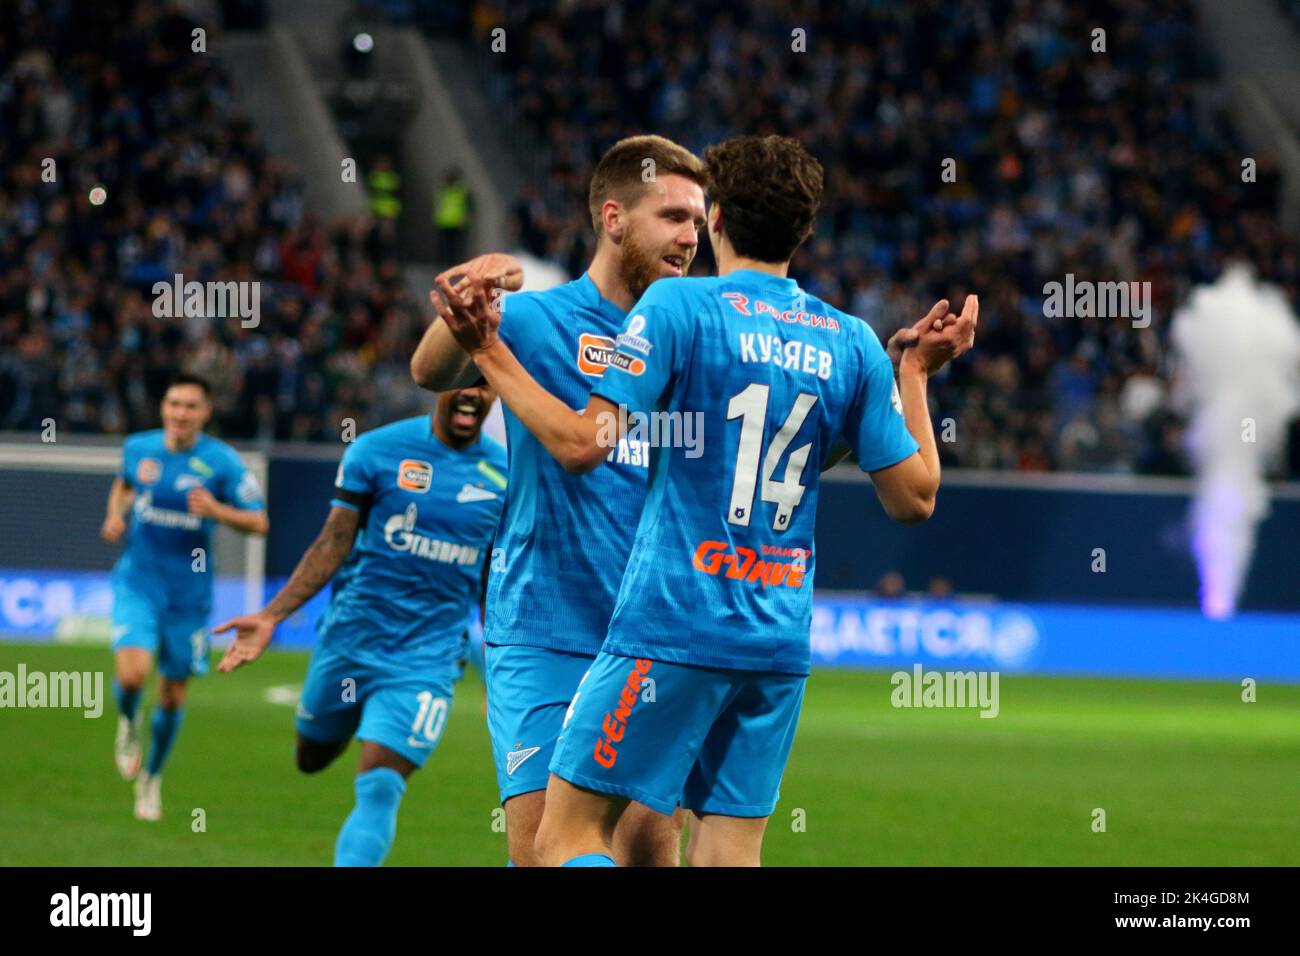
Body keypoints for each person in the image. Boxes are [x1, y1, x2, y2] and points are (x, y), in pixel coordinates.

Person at [433, 134, 978, 866]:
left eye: (697, 217)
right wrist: (911, 372)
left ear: (717, 219)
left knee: (558, 840)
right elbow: (917, 496)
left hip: (674, 620)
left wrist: (490, 353)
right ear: (806, 230)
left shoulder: (679, 308)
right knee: (727, 856)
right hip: (778, 639)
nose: (690, 234)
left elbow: (582, 443)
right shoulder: (850, 341)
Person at [410, 134, 707, 866]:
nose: (690, 238)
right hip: (545, 622)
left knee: (648, 843)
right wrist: (470, 301)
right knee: (540, 847)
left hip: (653, 632)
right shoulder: (543, 318)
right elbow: (429, 370)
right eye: (672, 216)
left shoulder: (694, 336)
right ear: (613, 217)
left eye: (698, 222)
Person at [213, 386, 505, 866]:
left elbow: (495, 580)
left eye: (483, 383)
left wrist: (497, 670)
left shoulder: (508, 474)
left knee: (380, 785)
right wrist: (270, 615)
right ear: (437, 384)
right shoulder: (376, 450)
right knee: (311, 757)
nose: (472, 394)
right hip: (351, 640)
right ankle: (346, 721)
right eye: (462, 382)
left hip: (426, 660)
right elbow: (332, 543)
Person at [101, 373, 269, 821]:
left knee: (173, 696)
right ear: (163, 408)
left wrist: (216, 510)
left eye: (191, 406)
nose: (181, 413)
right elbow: (124, 483)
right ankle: (129, 722)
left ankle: (151, 779)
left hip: (189, 596)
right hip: (139, 581)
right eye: (174, 403)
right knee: (134, 676)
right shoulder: (139, 448)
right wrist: (114, 515)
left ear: (205, 413)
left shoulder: (223, 463)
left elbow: (259, 522)